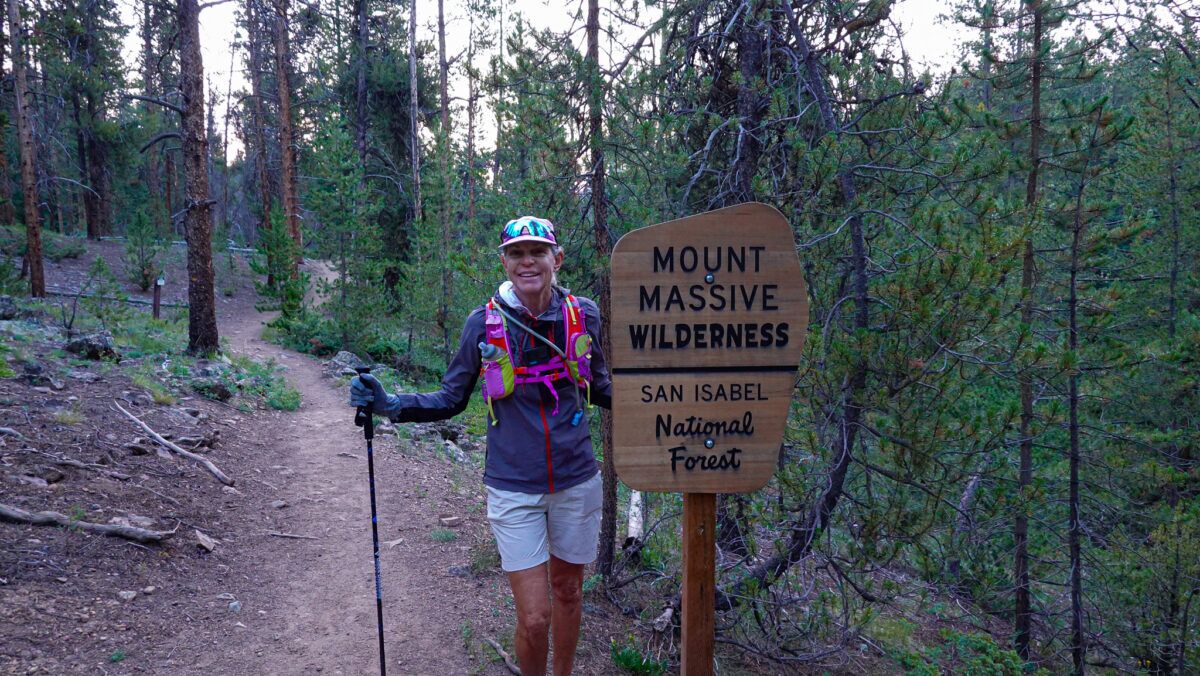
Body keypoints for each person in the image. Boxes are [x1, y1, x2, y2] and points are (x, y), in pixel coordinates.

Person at [349, 215, 612, 676]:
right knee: (535, 618)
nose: (527, 261)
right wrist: (390, 404)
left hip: (577, 479)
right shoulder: (484, 322)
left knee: (569, 590)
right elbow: (451, 398)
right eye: (517, 254)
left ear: (557, 258)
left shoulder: (582, 314)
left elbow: (604, 387)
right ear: (505, 261)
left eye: (537, 252)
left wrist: (671, 395)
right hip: (513, 486)